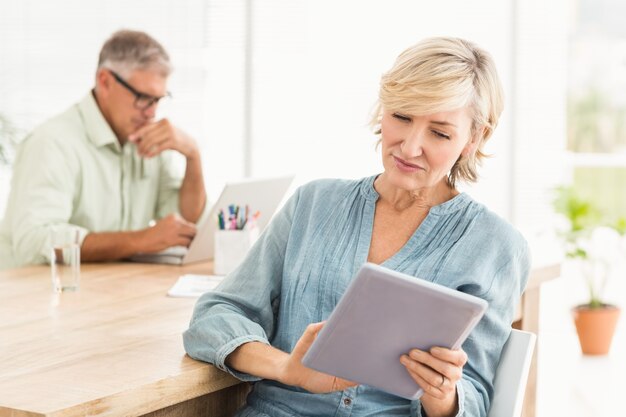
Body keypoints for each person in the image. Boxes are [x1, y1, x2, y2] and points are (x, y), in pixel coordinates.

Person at [183, 37, 530, 417]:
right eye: (401, 116)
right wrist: (288, 369)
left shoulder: (496, 246)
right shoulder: (312, 205)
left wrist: (443, 394)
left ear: (474, 138)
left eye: (440, 133)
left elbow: (476, 396)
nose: (410, 147)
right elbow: (215, 315)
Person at [0, 29, 207, 269]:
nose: (151, 112)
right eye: (142, 97)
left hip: (108, 290)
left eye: (158, 100)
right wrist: (140, 240)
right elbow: (34, 241)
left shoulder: (148, 138)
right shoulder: (52, 142)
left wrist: (193, 155)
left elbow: (183, 222)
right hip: (36, 294)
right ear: (105, 81)